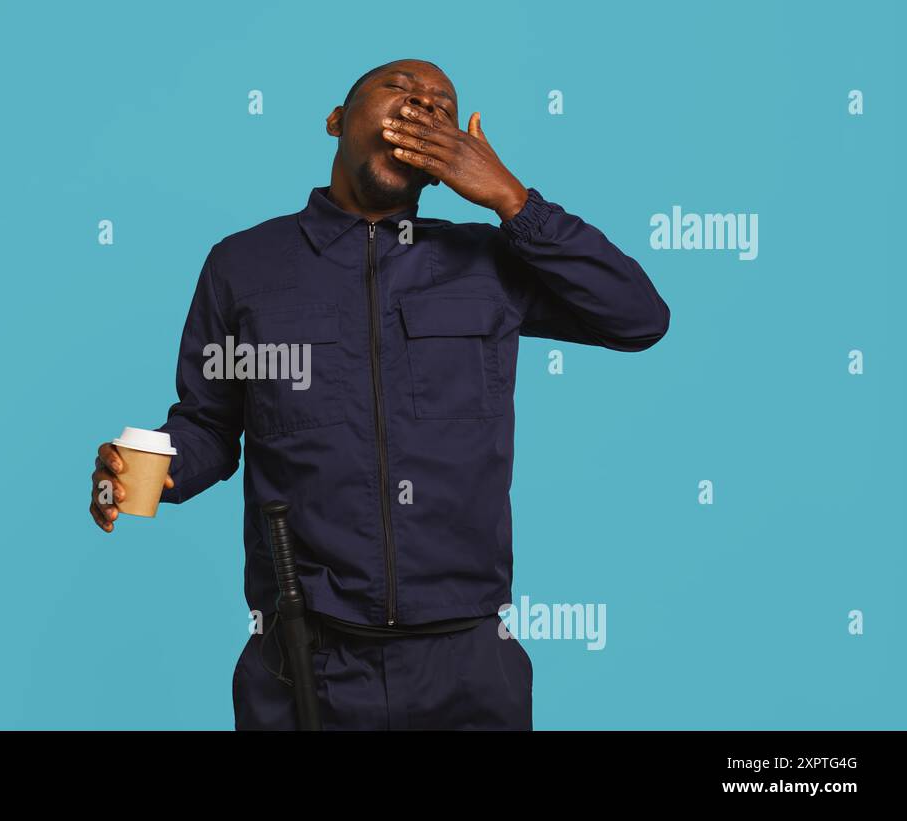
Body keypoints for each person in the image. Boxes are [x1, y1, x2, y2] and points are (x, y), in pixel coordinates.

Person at [89, 59, 670, 730]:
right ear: (337, 120)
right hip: (305, 663)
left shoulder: (491, 262)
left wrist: (514, 201)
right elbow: (211, 425)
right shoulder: (244, 265)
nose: (423, 105)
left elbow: (638, 317)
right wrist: (151, 474)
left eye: (442, 107)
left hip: (469, 663)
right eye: (400, 89)